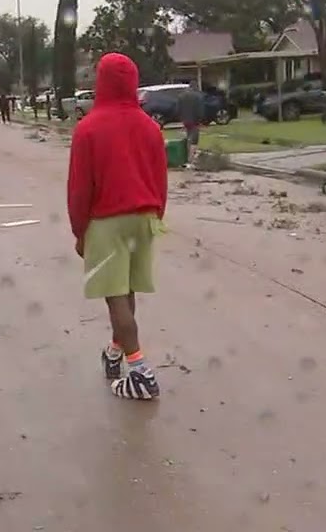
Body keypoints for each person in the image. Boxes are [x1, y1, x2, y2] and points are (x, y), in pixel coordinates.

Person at [67, 52, 168, 401]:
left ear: (100, 83)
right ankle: (114, 352)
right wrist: (157, 216)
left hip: (107, 221)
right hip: (145, 217)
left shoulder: (88, 129)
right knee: (126, 291)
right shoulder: (150, 126)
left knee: (115, 298)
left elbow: (80, 188)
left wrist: (80, 232)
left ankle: (140, 371)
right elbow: (160, 179)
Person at [177, 82, 205, 169]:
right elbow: (200, 110)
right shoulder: (198, 96)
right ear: (196, 87)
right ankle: (191, 160)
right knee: (194, 140)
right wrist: (200, 120)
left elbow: (178, 109)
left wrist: (181, 118)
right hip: (194, 121)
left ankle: (186, 158)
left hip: (185, 120)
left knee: (188, 138)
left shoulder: (181, 96)